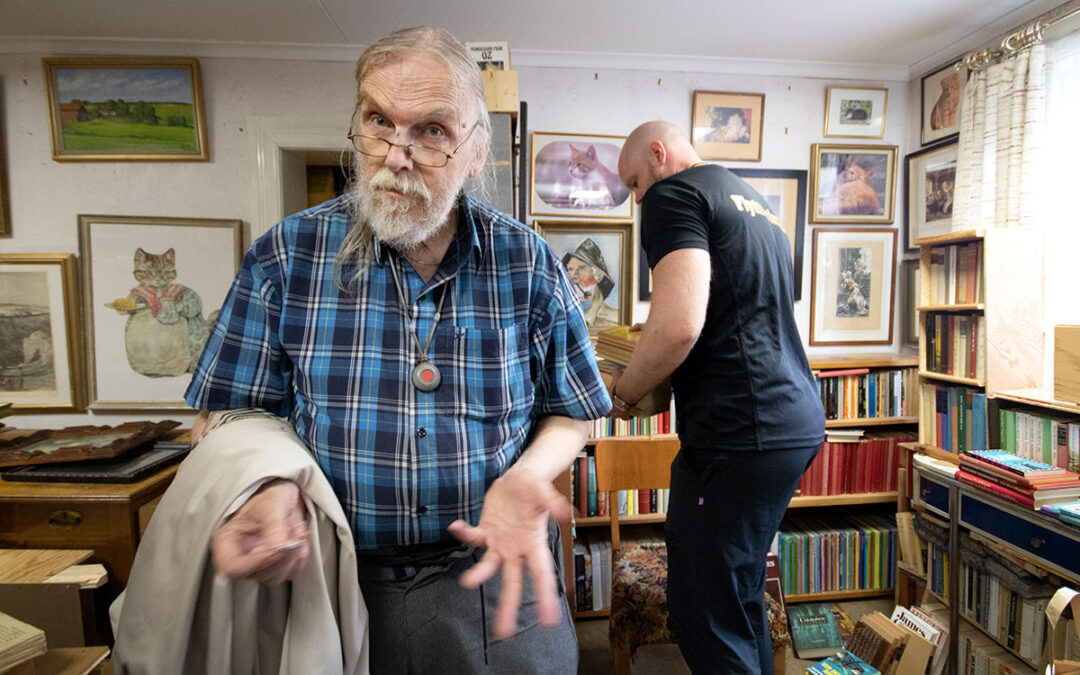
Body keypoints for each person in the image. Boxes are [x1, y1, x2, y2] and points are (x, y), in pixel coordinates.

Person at [185, 26, 611, 673]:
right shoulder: (285, 255)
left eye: (433, 130)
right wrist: (264, 484)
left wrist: (527, 474)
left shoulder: (529, 262)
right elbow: (229, 410)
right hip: (333, 575)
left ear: (477, 152)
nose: (396, 154)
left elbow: (574, 409)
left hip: (493, 571)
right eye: (379, 120)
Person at [611, 120, 825, 674]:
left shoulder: (672, 194)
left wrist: (625, 393)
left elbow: (681, 326)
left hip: (738, 432)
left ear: (659, 153)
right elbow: (732, 311)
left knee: (702, 614)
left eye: (635, 182)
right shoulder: (752, 200)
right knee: (738, 595)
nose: (638, 199)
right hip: (791, 422)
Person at [561, 238, 619, 330]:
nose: (573, 276)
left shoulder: (612, 320)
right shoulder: (555, 313)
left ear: (599, 276)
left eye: (582, 269)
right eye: (570, 269)